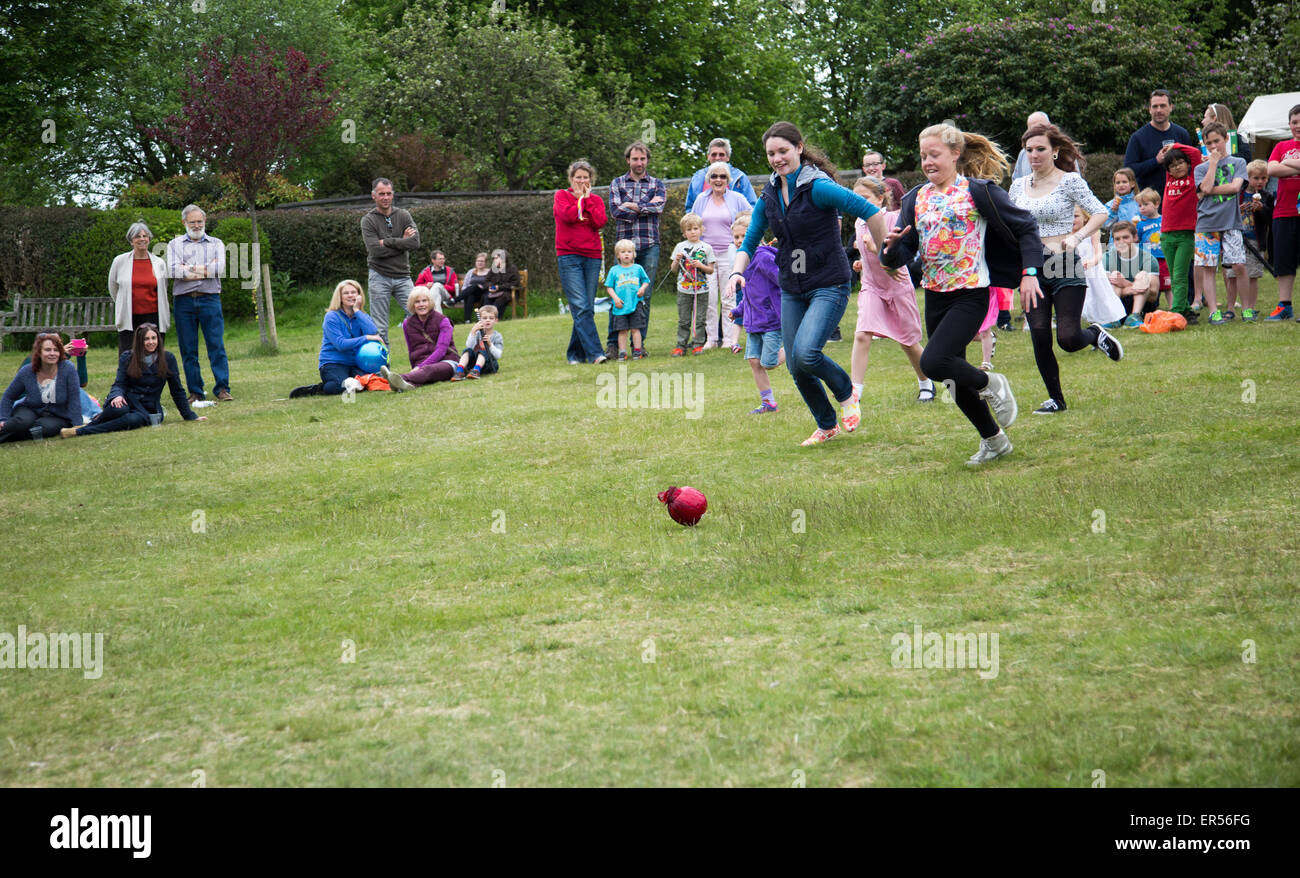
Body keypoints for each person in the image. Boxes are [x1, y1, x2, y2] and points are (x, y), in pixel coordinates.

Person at [880, 123, 1037, 464]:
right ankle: (994, 441)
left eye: (934, 154)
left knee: (933, 362)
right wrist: (890, 250)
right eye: (923, 156)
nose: (927, 162)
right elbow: (902, 251)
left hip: (971, 292)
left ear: (955, 154)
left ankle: (991, 383)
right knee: (952, 375)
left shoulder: (978, 191)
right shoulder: (916, 198)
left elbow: (1025, 226)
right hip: (936, 294)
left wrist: (1030, 273)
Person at [727, 121, 888, 446]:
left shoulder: (818, 186)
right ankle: (827, 425)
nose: (777, 158)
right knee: (796, 366)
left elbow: (872, 212)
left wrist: (886, 256)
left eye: (783, 151)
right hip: (792, 286)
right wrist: (736, 271)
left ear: (799, 147)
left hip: (828, 282)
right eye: (771, 153)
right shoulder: (770, 194)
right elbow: (751, 239)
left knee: (805, 353)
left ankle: (847, 393)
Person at [1009, 123, 1124, 415]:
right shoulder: (1018, 186)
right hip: (1032, 266)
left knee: (1068, 339)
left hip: (1063, 263)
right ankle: (1056, 399)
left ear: (1055, 150)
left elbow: (1100, 211)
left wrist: (1076, 237)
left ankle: (1095, 334)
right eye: (1029, 150)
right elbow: (1009, 224)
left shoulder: (1069, 181)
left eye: (1040, 149)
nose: (1034, 155)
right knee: (1038, 333)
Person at [849, 176, 932, 404]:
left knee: (908, 342)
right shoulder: (859, 222)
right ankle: (855, 392)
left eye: (864, 198)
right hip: (871, 287)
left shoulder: (893, 218)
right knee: (862, 334)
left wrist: (874, 247)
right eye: (855, 199)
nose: (859, 203)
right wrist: (861, 262)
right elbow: (868, 257)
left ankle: (926, 382)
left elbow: (894, 255)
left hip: (897, 287)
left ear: (880, 197)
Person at [61, 324, 204, 437]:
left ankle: (81, 431)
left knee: (132, 420)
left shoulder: (168, 358)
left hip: (149, 409)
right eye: (146, 339)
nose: (150, 342)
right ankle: (93, 422)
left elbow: (177, 390)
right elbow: (119, 383)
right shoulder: (127, 357)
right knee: (117, 410)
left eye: (154, 338)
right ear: (140, 341)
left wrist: (190, 416)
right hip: (127, 400)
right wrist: (117, 395)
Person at [607, 141, 666, 354]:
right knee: (619, 292)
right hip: (623, 248)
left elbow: (658, 207)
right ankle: (613, 345)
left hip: (649, 245)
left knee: (644, 295)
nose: (639, 162)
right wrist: (645, 207)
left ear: (647, 160)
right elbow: (615, 211)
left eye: (642, 159)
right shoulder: (617, 183)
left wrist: (634, 206)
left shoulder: (657, 183)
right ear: (628, 160)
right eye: (635, 159)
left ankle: (638, 346)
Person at [167, 204, 230, 403]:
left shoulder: (216, 243)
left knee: (216, 346)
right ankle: (195, 391)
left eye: (199, 221)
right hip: (184, 302)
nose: (196, 225)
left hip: (210, 299)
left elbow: (219, 269)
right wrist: (204, 270)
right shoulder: (174, 245)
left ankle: (222, 388)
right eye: (192, 222)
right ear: (184, 222)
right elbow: (173, 271)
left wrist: (189, 270)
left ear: (205, 222)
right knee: (188, 349)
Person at [691, 162, 752, 350]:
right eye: (715, 176)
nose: (718, 180)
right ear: (709, 179)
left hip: (729, 253)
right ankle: (711, 339)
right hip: (707, 256)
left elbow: (752, 218)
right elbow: (693, 222)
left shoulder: (737, 198)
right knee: (709, 299)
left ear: (728, 180)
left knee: (729, 298)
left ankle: (728, 339)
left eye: (723, 176)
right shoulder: (701, 199)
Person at [554, 159, 609, 364]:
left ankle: (575, 354)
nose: (582, 181)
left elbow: (599, 221)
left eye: (586, 178)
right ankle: (595, 354)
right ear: (571, 178)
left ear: (591, 179)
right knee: (580, 305)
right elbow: (568, 216)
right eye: (578, 178)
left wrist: (585, 202)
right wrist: (580, 202)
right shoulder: (561, 196)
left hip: (592, 256)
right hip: (569, 256)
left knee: (587, 308)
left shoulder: (596, 200)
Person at [1193, 122, 1248, 325]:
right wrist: (1213, 164)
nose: (1214, 146)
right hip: (1206, 223)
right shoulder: (1200, 168)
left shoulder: (1239, 162)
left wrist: (1208, 191)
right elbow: (1204, 186)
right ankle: (1214, 311)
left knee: (1239, 265)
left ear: (1226, 139)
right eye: (1209, 143)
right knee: (1208, 267)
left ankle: (1247, 308)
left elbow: (1235, 188)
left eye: (1217, 141)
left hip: (1231, 221)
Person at [290, 280, 384, 397]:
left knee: (367, 382)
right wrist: (366, 338)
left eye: (353, 292)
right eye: (346, 293)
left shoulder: (361, 315)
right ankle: (318, 389)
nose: (350, 295)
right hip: (334, 363)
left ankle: (351, 380)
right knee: (338, 386)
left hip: (355, 363)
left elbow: (372, 332)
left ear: (359, 295)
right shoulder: (331, 317)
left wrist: (357, 311)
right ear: (339, 297)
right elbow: (341, 344)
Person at [360, 177, 420, 345]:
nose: (385, 197)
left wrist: (387, 241)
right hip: (379, 276)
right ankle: (384, 368)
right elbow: (375, 250)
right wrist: (402, 241)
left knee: (419, 314)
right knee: (380, 328)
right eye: (381, 194)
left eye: (388, 194)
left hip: (403, 276)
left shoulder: (404, 215)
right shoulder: (368, 220)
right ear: (374, 196)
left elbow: (415, 243)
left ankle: (422, 362)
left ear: (393, 195)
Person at [731, 236, 785, 413]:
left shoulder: (763, 257)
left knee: (768, 362)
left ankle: (794, 349)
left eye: (743, 236)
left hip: (771, 320)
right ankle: (768, 403)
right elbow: (749, 294)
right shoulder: (743, 263)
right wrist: (738, 311)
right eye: (736, 237)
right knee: (754, 361)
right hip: (753, 323)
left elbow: (782, 280)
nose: (739, 240)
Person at [0, 333, 81, 442]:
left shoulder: (68, 369)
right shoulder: (26, 371)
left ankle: (15, 436)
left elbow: (74, 399)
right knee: (22, 422)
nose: (52, 353)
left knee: (43, 428)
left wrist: (77, 426)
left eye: (56, 350)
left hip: (58, 416)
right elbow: (8, 396)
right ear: (39, 352)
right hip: (30, 409)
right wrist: (3, 418)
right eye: (47, 350)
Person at [1158, 143, 1206, 320]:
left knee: (1179, 275)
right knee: (1174, 275)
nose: (1177, 167)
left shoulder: (1193, 177)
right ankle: (1185, 309)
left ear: (1187, 164)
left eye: (1180, 163)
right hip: (1166, 235)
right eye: (1172, 165)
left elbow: (1194, 153)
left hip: (1185, 235)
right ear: (1168, 170)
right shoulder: (1169, 180)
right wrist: (1166, 154)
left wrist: (1174, 146)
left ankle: (1176, 310)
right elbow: (1166, 161)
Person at [108, 221, 169, 354]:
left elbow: (163, 288)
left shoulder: (159, 263)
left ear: (149, 239)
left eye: (145, 236)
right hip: (129, 317)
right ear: (131, 241)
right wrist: (123, 303)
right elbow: (113, 288)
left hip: (154, 317)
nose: (142, 239)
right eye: (137, 236)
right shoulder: (119, 261)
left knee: (153, 355)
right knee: (128, 355)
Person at [381, 286, 459, 390]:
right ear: (412, 305)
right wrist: (415, 368)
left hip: (447, 361)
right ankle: (405, 385)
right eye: (417, 302)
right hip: (422, 365)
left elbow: (441, 351)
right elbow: (411, 350)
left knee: (428, 370)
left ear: (430, 302)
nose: (421, 304)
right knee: (424, 373)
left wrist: (419, 367)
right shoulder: (407, 324)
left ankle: (398, 378)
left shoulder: (443, 320)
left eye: (424, 301)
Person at [1265, 103, 1300, 321]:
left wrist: (1286, 164)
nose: (1298, 126)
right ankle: (1284, 305)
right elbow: (1271, 169)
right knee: (1284, 260)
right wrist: (1294, 163)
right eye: (1295, 122)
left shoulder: (1284, 154)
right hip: (1284, 211)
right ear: (1289, 125)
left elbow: (1280, 168)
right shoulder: (1281, 146)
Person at [1226, 160, 1274, 321]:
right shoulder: (1238, 194)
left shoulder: (1267, 196)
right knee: (1232, 275)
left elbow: (1270, 219)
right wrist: (1238, 210)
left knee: (1252, 275)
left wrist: (1261, 209)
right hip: (1236, 239)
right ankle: (1230, 308)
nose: (1259, 182)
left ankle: (1250, 308)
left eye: (1263, 178)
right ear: (1247, 178)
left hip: (1255, 240)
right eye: (1256, 178)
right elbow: (1227, 211)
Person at [1125, 89, 1196, 195]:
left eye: (1163, 106)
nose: (1158, 110)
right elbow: (1128, 171)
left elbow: (1192, 164)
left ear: (1171, 107)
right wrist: (1156, 161)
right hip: (1151, 202)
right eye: (1155, 106)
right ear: (1149, 109)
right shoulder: (1138, 137)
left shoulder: (1182, 133)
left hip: (1180, 197)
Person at [1073, 206, 1126, 329]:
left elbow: (1098, 252)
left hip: (1093, 270)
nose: (1072, 220)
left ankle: (1110, 318)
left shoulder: (1092, 232)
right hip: (1074, 271)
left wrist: (1092, 262)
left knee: (1100, 295)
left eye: (1076, 216)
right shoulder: (1066, 234)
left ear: (1085, 218)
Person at [669, 214, 715, 356]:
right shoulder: (680, 247)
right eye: (689, 229)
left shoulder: (706, 247)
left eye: (695, 228)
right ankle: (681, 345)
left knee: (700, 319)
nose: (693, 232)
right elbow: (673, 269)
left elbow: (711, 270)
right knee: (684, 319)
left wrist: (700, 265)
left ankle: (698, 344)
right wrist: (676, 260)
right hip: (684, 289)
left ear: (701, 230)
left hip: (702, 289)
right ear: (684, 233)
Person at [1104, 221, 1160, 327]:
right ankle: (1114, 318)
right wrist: (1133, 288)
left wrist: (1125, 283)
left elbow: (1153, 295)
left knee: (1142, 275)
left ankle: (1135, 316)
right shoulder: (1107, 258)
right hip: (1118, 301)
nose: (1121, 242)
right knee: (1115, 275)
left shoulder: (1148, 259)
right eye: (1117, 239)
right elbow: (1105, 292)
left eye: (1125, 237)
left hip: (1144, 304)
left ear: (1135, 238)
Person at [603, 239, 650, 360]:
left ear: (634, 254)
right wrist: (615, 299)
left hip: (635, 304)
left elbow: (646, 281)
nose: (626, 254)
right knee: (622, 330)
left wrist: (642, 289)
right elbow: (609, 287)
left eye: (629, 251)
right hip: (620, 306)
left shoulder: (638, 268)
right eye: (623, 252)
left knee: (635, 329)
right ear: (618, 255)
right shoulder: (614, 270)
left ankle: (637, 351)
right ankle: (622, 352)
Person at [685, 138, 759, 207]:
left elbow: (752, 205)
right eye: (714, 154)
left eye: (721, 154)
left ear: (728, 157)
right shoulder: (698, 177)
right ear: (708, 156)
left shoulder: (740, 177)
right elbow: (690, 207)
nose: (717, 158)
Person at [1134, 188, 1170, 307]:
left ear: (1156, 204)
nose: (1142, 208)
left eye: (1145, 204)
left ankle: (1174, 308)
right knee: (1150, 284)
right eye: (1139, 205)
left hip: (1164, 258)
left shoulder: (1165, 219)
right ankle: (1150, 308)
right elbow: (1136, 240)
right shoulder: (1140, 224)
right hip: (1148, 260)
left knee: (1168, 285)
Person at [450, 305, 504, 380]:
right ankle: (459, 371)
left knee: (483, 352)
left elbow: (498, 355)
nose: (488, 320)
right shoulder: (478, 333)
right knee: (467, 351)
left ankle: (476, 371)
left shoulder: (497, 336)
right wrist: (473, 332)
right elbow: (469, 346)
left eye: (491, 318)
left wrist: (490, 344)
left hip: (489, 364)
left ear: (496, 320)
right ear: (480, 320)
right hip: (473, 364)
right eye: (484, 318)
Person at [1012, 111, 1052, 180]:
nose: (1037, 132)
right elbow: (1015, 181)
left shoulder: (1064, 151)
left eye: (1040, 127)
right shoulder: (1023, 154)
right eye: (1033, 129)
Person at [484, 248, 521, 317]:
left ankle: (495, 319)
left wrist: (499, 287)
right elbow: (486, 281)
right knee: (486, 298)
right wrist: (491, 287)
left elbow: (515, 283)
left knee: (501, 299)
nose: (494, 260)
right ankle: (485, 320)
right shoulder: (493, 269)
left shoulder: (512, 269)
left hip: (508, 292)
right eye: (494, 258)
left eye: (496, 258)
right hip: (494, 292)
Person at [459, 252, 491, 323]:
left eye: (482, 261)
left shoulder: (490, 272)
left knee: (475, 286)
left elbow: (491, 285)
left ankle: (455, 300)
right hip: (473, 295)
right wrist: (468, 292)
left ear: (486, 263)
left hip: (484, 294)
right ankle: (467, 320)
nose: (480, 263)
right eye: (478, 261)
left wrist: (479, 287)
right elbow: (465, 286)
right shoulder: (471, 272)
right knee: (470, 295)